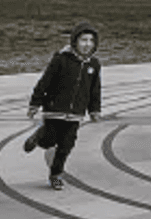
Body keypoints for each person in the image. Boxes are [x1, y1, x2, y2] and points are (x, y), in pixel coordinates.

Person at [23, 22, 102, 190]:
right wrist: (35, 103)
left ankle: (56, 175)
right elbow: (45, 82)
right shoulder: (61, 59)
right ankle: (38, 136)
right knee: (48, 141)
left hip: (76, 114)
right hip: (54, 109)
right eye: (83, 40)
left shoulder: (94, 65)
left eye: (91, 40)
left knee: (67, 145)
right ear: (74, 41)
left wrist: (94, 109)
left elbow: (95, 89)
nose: (87, 44)